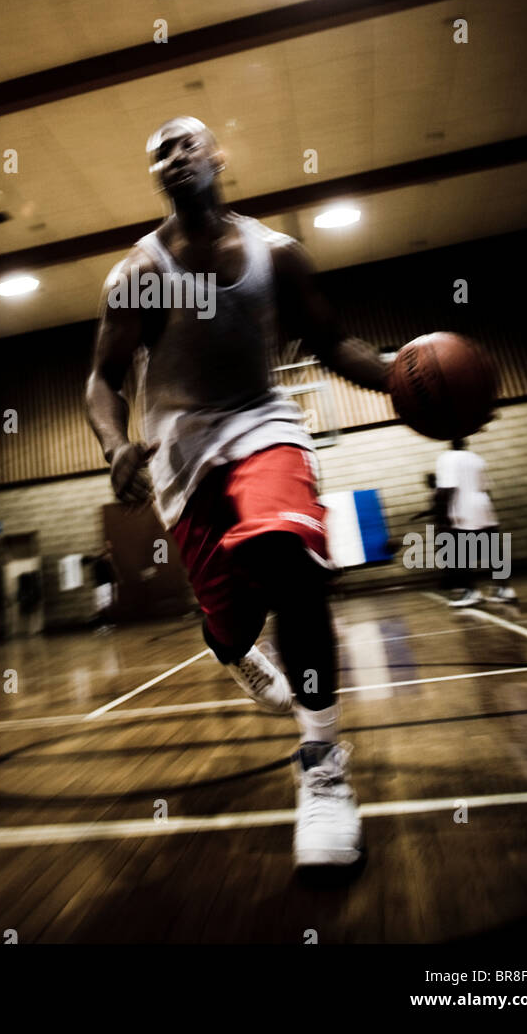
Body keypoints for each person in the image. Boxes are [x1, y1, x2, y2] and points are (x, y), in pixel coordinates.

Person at [85, 116, 393, 871]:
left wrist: (402, 378)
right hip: (180, 456)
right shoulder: (139, 273)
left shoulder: (277, 255)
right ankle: (230, 646)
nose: (173, 156)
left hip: (264, 426)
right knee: (232, 621)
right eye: (159, 151)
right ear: (155, 176)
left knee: (290, 559)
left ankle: (321, 766)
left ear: (218, 156)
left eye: (186, 142)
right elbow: (100, 380)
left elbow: (331, 344)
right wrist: (115, 444)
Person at [435, 438, 516, 607]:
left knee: (457, 556)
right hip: (483, 507)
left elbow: (447, 489)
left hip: (463, 510)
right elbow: (485, 487)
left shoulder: (447, 458)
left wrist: (442, 516)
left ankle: (470, 593)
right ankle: (505, 590)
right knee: (494, 553)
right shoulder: (476, 458)